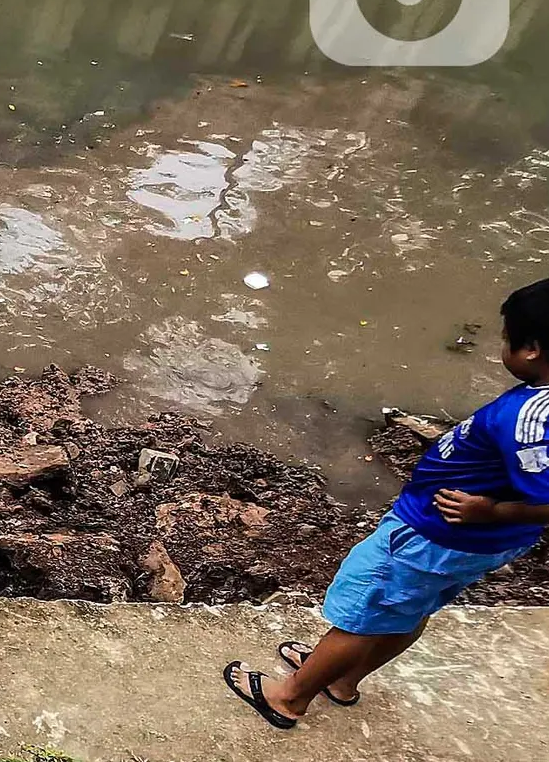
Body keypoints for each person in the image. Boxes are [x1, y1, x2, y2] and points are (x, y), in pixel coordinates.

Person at [224, 277, 549, 729]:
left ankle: (290, 696)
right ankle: (342, 679)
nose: (502, 348)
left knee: (360, 618)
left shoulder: (530, 417)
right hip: (480, 543)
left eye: (506, 339)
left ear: (531, 348)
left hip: (435, 534)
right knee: (407, 609)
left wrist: (491, 510)